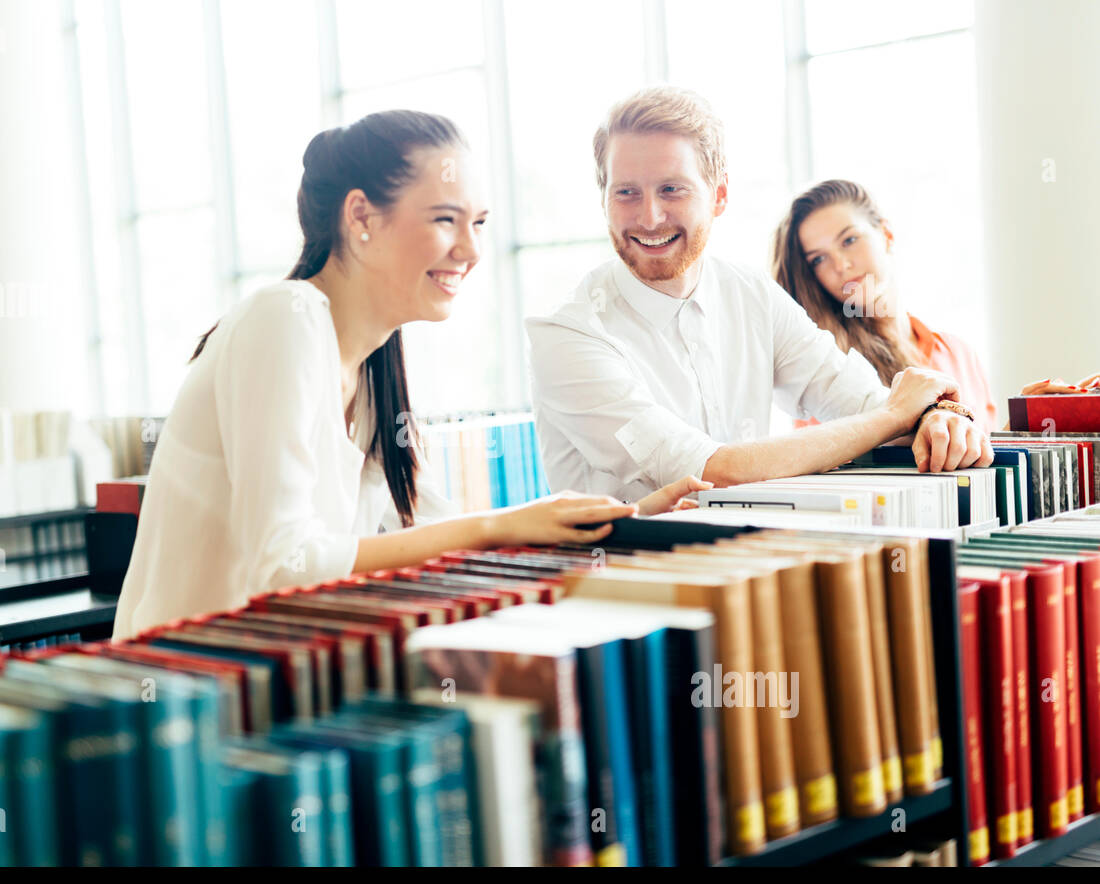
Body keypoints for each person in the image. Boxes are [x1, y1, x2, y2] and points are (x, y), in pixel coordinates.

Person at [113, 110, 702, 639]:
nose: (470, 251)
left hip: (266, 680)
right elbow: (283, 564)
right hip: (178, 697)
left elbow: (433, 525)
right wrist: (494, 526)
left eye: (480, 224)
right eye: (446, 219)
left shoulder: (373, 364)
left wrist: (633, 519)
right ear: (361, 216)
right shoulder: (286, 317)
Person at [526, 86, 992, 504]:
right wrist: (896, 413)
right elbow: (711, 471)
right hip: (624, 584)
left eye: (672, 189)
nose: (649, 217)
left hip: (748, 566)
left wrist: (937, 417)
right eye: (626, 192)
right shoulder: (567, 334)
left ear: (719, 195)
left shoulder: (751, 296)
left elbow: (851, 394)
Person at [772, 179, 998, 433]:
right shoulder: (827, 374)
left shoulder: (959, 353)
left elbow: (987, 457)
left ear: (886, 235)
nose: (841, 265)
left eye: (849, 240)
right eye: (819, 259)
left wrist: (1028, 428)